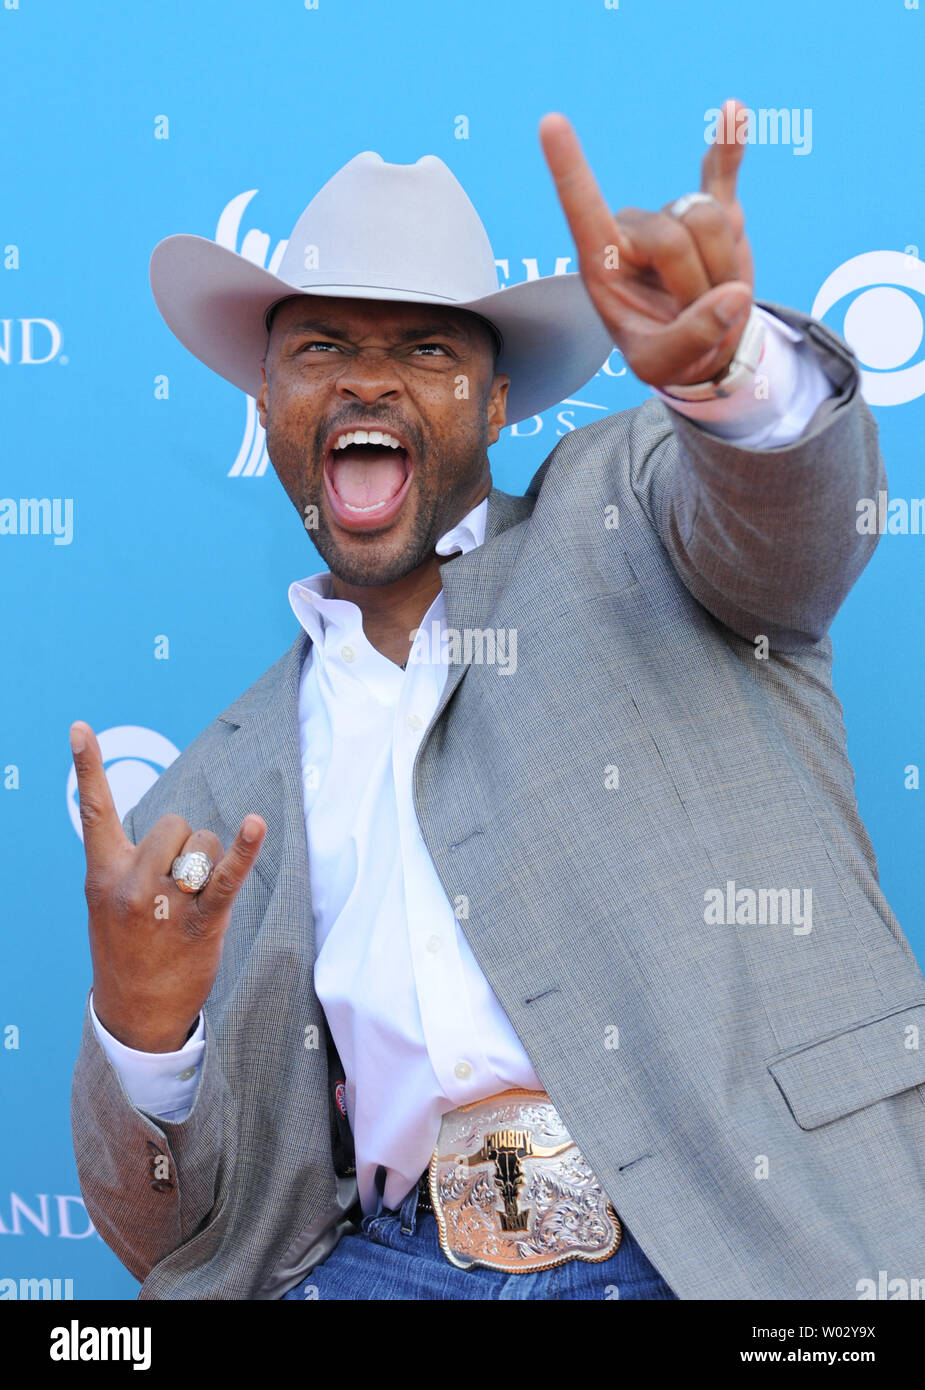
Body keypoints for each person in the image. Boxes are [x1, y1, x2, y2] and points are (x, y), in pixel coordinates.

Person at [70, 103, 925, 1301]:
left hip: (734, 1235)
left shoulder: (629, 514)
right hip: (388, 1266)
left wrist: (730, 382)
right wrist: (141, 1038)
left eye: (426, 350)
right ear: (264, 401)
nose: (368, 378)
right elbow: (177, 1243)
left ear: (499, 398)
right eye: (319, 348)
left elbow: (789, 520)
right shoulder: (209, 793)